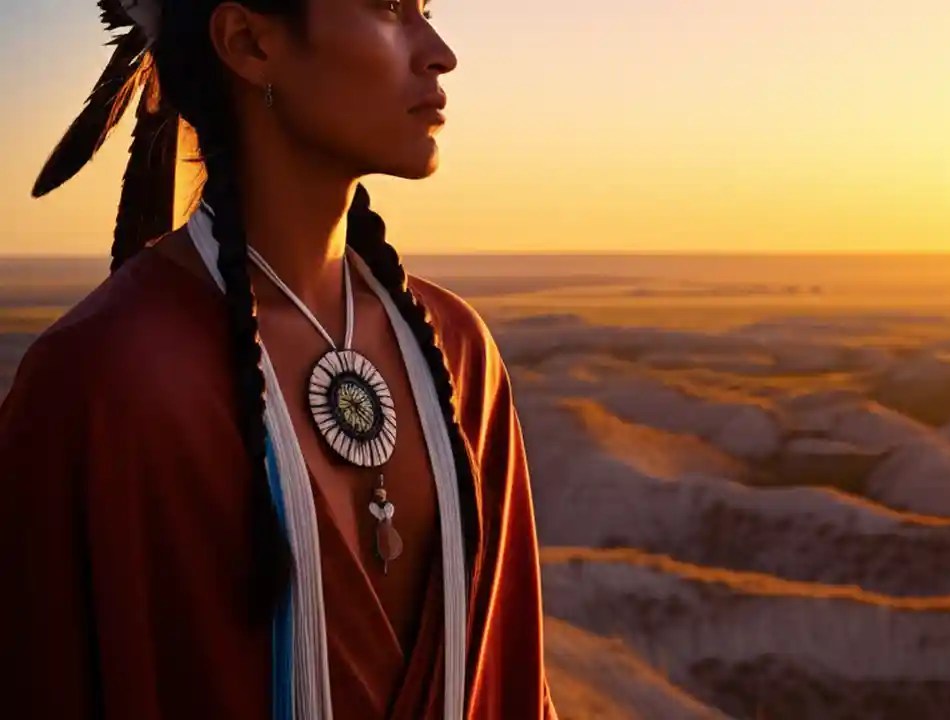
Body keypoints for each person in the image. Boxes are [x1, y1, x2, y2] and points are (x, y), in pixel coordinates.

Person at [0, 0, 559, 718]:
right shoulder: (100, 382)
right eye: (390, 8)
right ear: (249, 43)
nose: (439, 51)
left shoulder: (457, 354)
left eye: (427, 8)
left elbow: (509, 682)